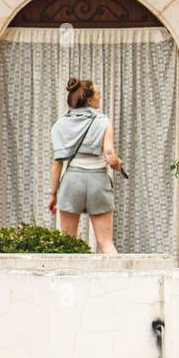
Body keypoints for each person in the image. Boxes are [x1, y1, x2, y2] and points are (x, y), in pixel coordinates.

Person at [49, 77, 123, 254]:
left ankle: (68, 281)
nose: (100, 97)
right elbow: (111, 158)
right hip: (98, 181)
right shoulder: (103, 121)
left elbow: (57, 163)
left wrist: (53, 194)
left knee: (68, 242)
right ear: (89, 100)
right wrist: (118, 164)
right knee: (105, 242)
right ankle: (118, 280)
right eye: (98, 94)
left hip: (72, 181)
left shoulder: (60, 124)